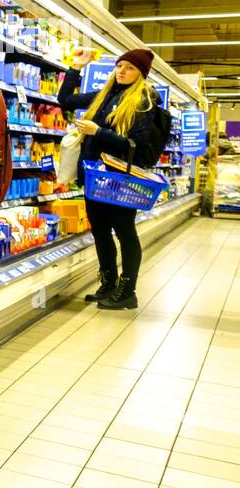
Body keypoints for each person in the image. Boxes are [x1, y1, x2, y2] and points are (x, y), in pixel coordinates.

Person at [59, 47, 164, 310]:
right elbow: (65, 100)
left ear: (140, 73)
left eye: (129, 68)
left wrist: (98, 131)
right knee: (101, 232)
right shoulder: (104, 95)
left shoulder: (143, 101)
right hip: (96, 177)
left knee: (125, 232)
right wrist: (76, 68)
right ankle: (108, 284)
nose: (122, 71)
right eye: (119, 66)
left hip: (121, 180)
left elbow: (135, 145)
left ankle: (127, 291)